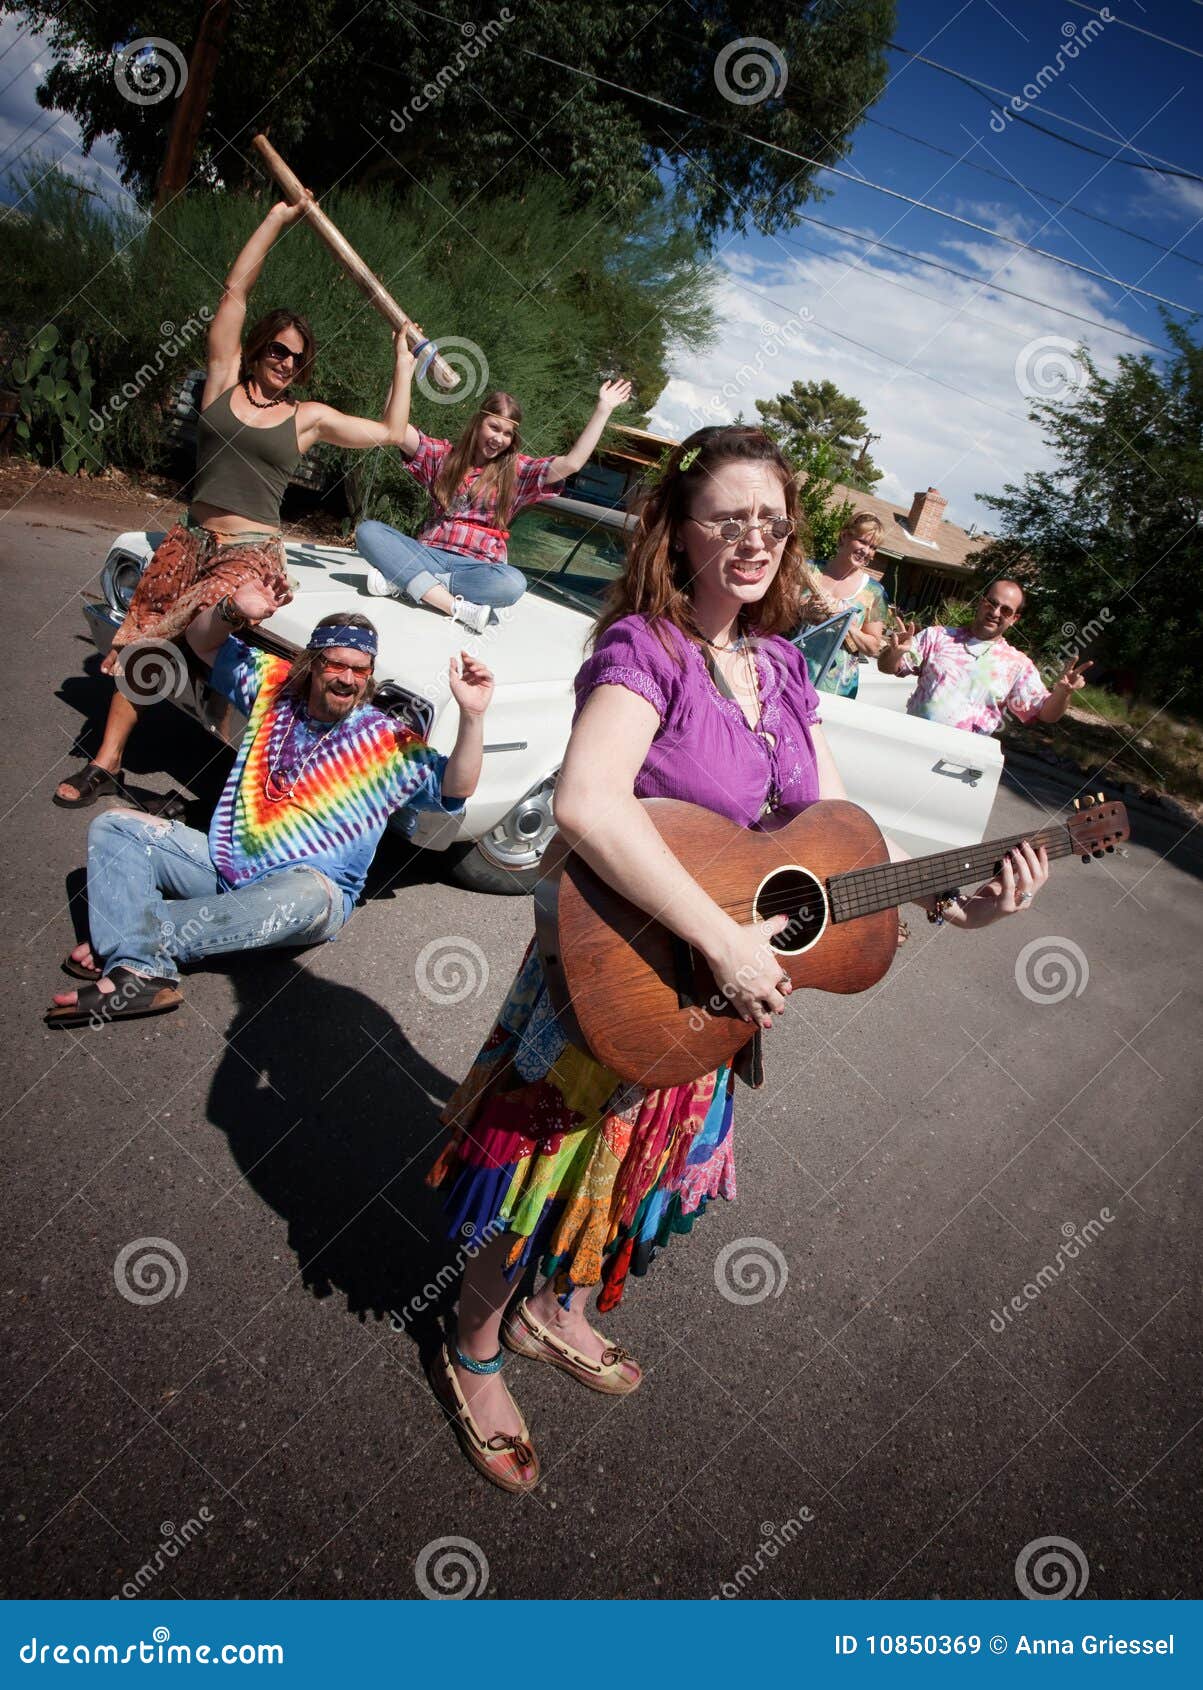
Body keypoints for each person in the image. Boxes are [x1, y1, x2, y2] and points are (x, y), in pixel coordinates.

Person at [424, 424, 1050, 1494]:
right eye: (730, 517)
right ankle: (472, 1343)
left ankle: (554, 1309)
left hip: (718, 996)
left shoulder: (779, 669)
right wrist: (718, 934)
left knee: (638, 1174)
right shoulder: (645, 648)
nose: (755, 539)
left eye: (773, 519)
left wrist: (961, 898)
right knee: (545, 1169)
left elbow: (841, 833)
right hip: (619, 969)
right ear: (680, 529)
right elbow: (586, 802)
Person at [55, 190, 416, 809]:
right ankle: (107, 763)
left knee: (197, 631)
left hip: (250, 551)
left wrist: (402, 364)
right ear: (257, 348)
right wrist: (277, 218)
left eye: (297, 360)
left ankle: (239, 670)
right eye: (277, 349)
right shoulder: (221, 382)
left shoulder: (305, 418)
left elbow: (387, 432)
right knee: (145, 641)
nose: (285, 363)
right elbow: (233, 295)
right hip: (191, 542)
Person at [45, 592, 493, 1028]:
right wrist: (231, 609)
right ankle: (137, 957)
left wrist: (472, 716)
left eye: (360, 669)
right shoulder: (274, 688)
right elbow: (204, 643)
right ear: (312, 663)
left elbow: (456, 788)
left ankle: (132, 949)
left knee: (305, 897)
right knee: (114, 827)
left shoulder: (386, 741)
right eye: (336, 664)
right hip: (223, 865)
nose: (347, 679)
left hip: (308, 891)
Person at [356, 377, 632, 634]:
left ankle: (409, 583)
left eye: (508, 433)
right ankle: (453, 606)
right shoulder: (443, 456)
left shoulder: (517, 471)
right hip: (427, 553)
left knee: (513, 584)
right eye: (494, 427)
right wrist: (403, 366)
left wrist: (603, 409)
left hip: (477, 568)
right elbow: (396, 429)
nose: (499, 438)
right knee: (368, 531)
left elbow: (571, 463)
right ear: (478, 423)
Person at [877, 579, 1092, 733]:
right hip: (913, 741)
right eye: (992, 603)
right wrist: (893, 653)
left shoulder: (1017, 665)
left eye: (1006, 610)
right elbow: (887, 667)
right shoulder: (937, 636)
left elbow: (1046, 714)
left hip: (961, 763)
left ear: (1014, 619)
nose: (996, 612)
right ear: (982, 602)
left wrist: (1063, 693)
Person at [799, 512, 889, 697]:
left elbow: (873, 647)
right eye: (863, 542)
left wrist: (847, 624)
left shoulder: (874, 592)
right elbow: (776, 615)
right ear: (844, 536)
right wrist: (804, 612)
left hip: (836, 685)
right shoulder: (808, 570)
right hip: (789, 671)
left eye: (873, 547)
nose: (866, 551)